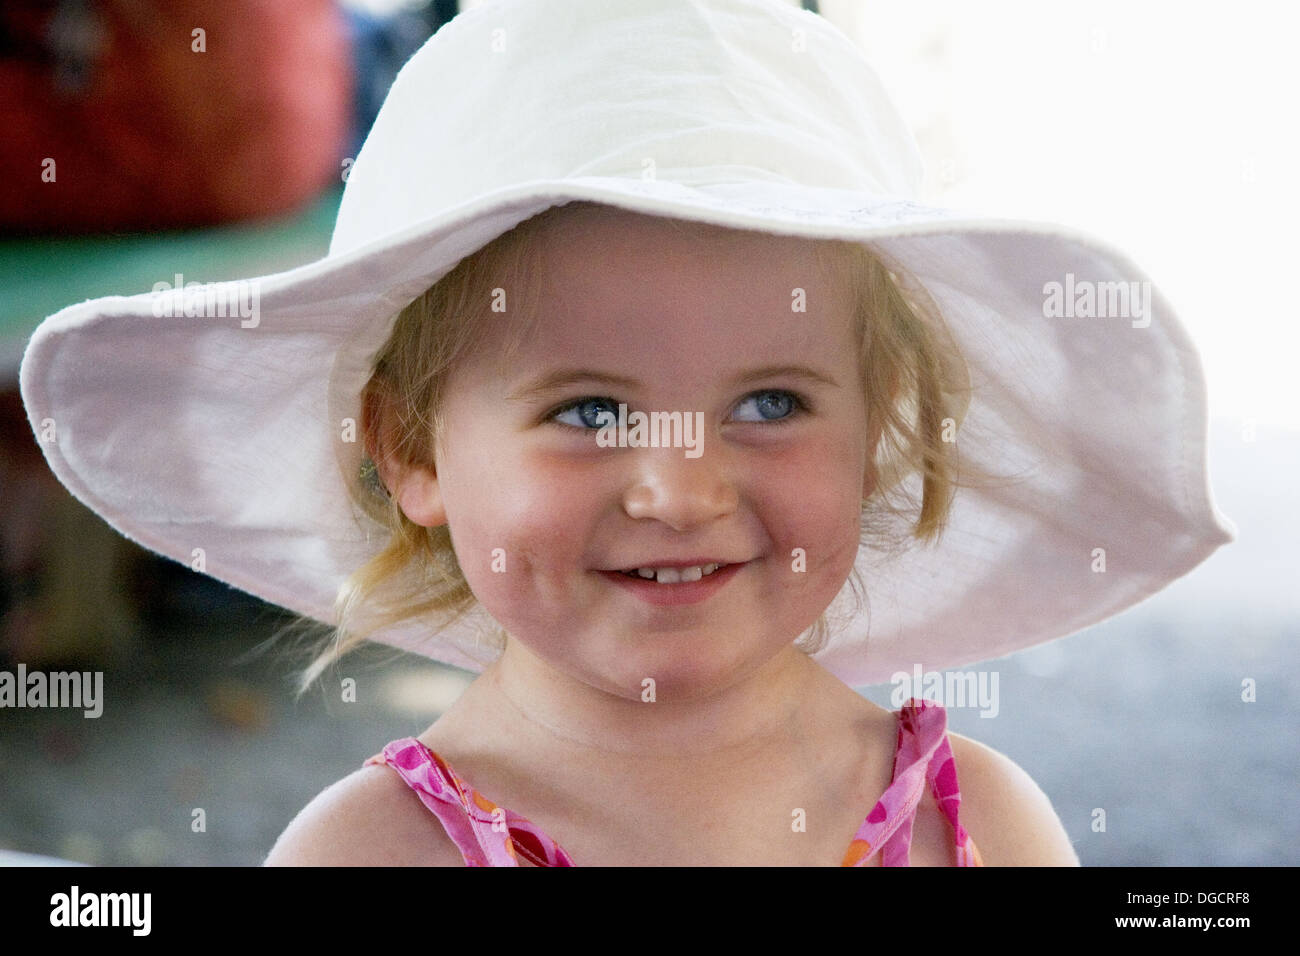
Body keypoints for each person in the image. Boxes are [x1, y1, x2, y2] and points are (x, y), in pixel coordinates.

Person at [20, 0, 1232, 866]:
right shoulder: (371, 856)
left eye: (770, 403)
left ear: (879, 433)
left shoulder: (974, 827)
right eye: (588, 411)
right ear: (412, 450)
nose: (681, 485)